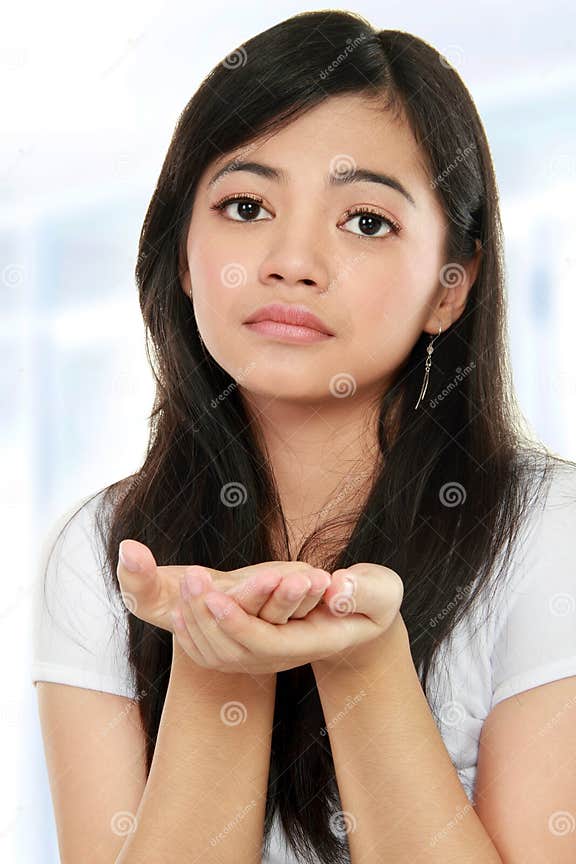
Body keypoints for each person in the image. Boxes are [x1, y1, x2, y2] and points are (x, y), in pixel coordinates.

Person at [32, 9, 576, 864]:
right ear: (181, 256)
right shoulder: (100, 555)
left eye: (365, 221)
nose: (290, 259)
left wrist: (365, 664)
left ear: (450, 287)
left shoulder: (550, 533)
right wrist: (219, 666)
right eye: (246, 205)